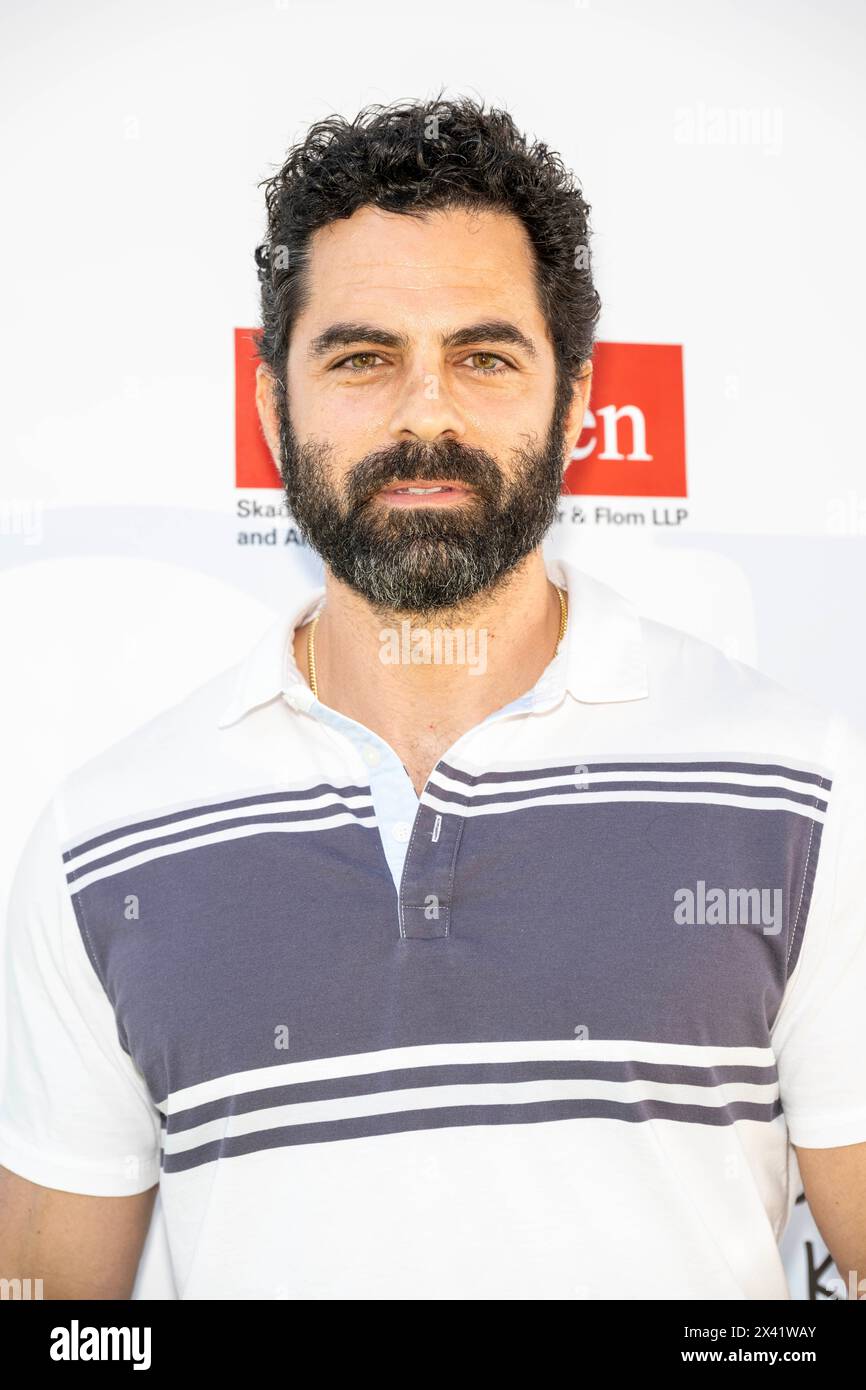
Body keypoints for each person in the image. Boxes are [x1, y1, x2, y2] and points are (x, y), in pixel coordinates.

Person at [1, 95, 865, 1301]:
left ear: (572, 405)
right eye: (360, 358)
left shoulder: (799, 789)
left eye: (483, 355)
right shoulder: (105, 842)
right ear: (270, 412)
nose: (424, 413)